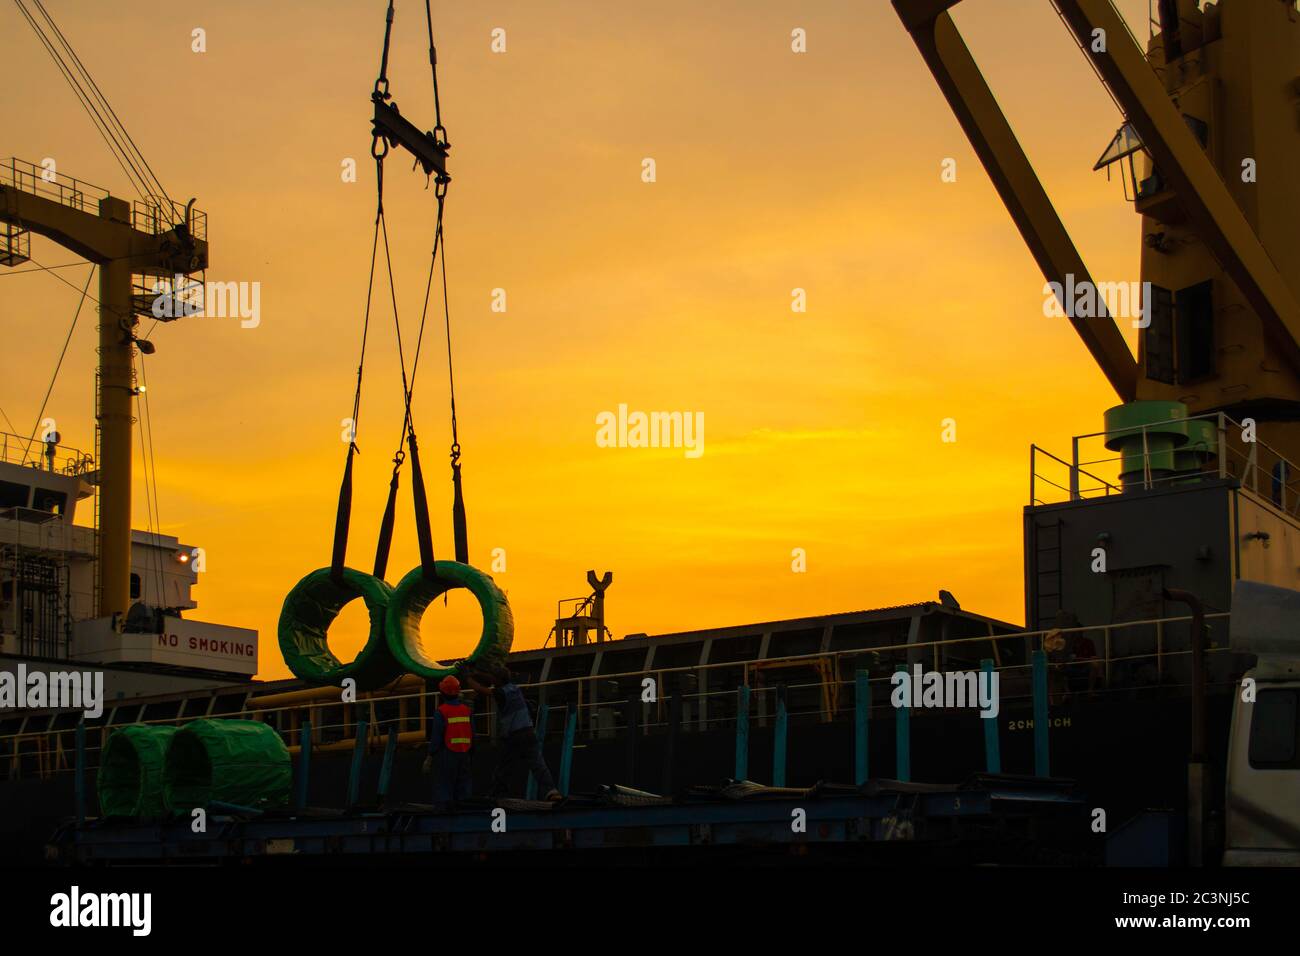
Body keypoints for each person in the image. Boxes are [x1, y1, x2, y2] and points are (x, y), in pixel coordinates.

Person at [464, 665, 561, 801]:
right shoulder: (514, 688)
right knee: (538, 764)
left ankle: (496, 795)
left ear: (497, 679)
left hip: (513, 735)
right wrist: (476, 673)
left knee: (504, 767)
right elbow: (491, 678)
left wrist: (467, 677)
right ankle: (551, 791)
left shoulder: (500, 693)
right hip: (528, 731)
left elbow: (480, 689)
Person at [423, 674, 474, 810]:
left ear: (442, 693)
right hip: (465, 752)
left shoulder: (441, 712)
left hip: (447, 753)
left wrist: (430, 756)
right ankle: (464, 812)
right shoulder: (466, 711)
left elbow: (436, 737)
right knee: (463, 786)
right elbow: (472, 733)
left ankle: (443, 816)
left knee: (443, 786)